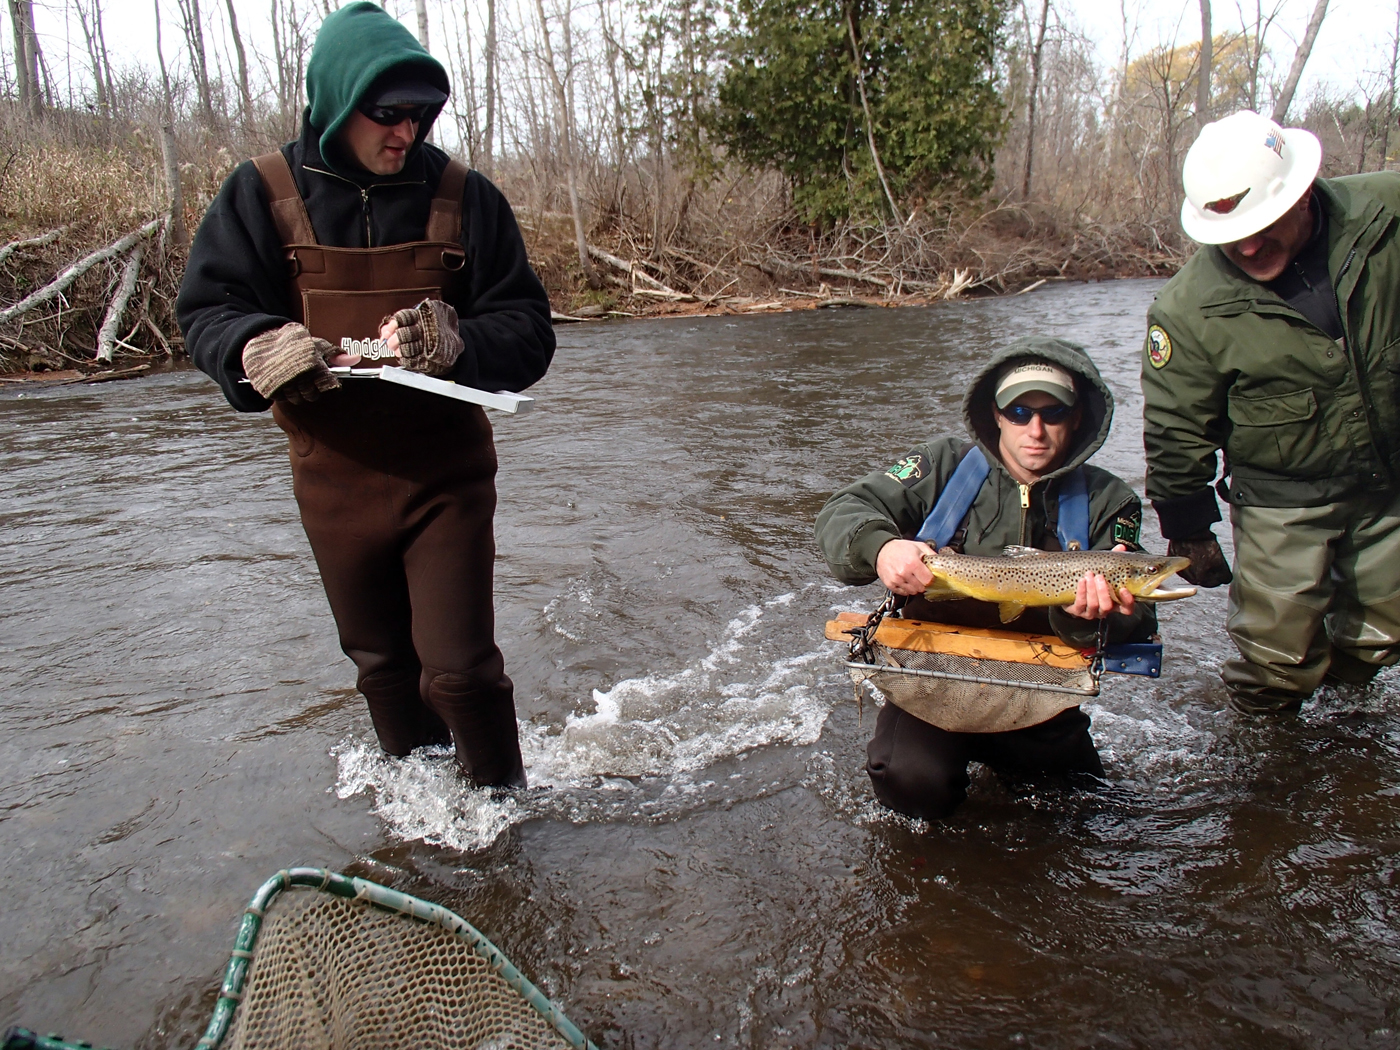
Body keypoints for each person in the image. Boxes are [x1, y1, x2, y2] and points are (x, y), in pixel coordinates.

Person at [176, 1, 555, 787]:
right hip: (331, 482)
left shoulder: (465, 196)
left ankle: (506, 818)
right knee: (383, 669)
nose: (406, 131)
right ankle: (423, 821)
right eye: (388, 113)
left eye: (420, 114)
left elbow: (528, 330)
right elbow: (207, 312)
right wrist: (254, 347)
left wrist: (459, 340)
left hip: (446, 477)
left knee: (460, 674)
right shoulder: (260, 194)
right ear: (337, 100)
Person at [816, 336, 1157, 819]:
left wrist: (1085, 618)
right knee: (910, 784)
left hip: (1043, 695)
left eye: (1053, 413)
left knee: (1080, 811)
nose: (1035, 430)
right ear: (995, 414)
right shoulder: (939, 466)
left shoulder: (1110, 500)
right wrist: (882, 548)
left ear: (1077, 417)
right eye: (1019, 412)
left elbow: (1139, 621)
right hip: (930, 683)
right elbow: (842, 509)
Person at [1141, 109, 1400, 713]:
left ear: (1303, 193)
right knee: (1274, 657)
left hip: (1390, 476)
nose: (1248, 246)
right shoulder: (1186, 309)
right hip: (1282, 498)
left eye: (1262, 225)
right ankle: (1266, 740)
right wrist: (1189, 529)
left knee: (1384, 633)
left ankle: (1341, 716)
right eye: (1230, 235)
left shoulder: (1386, 216)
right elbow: (1176, 429)